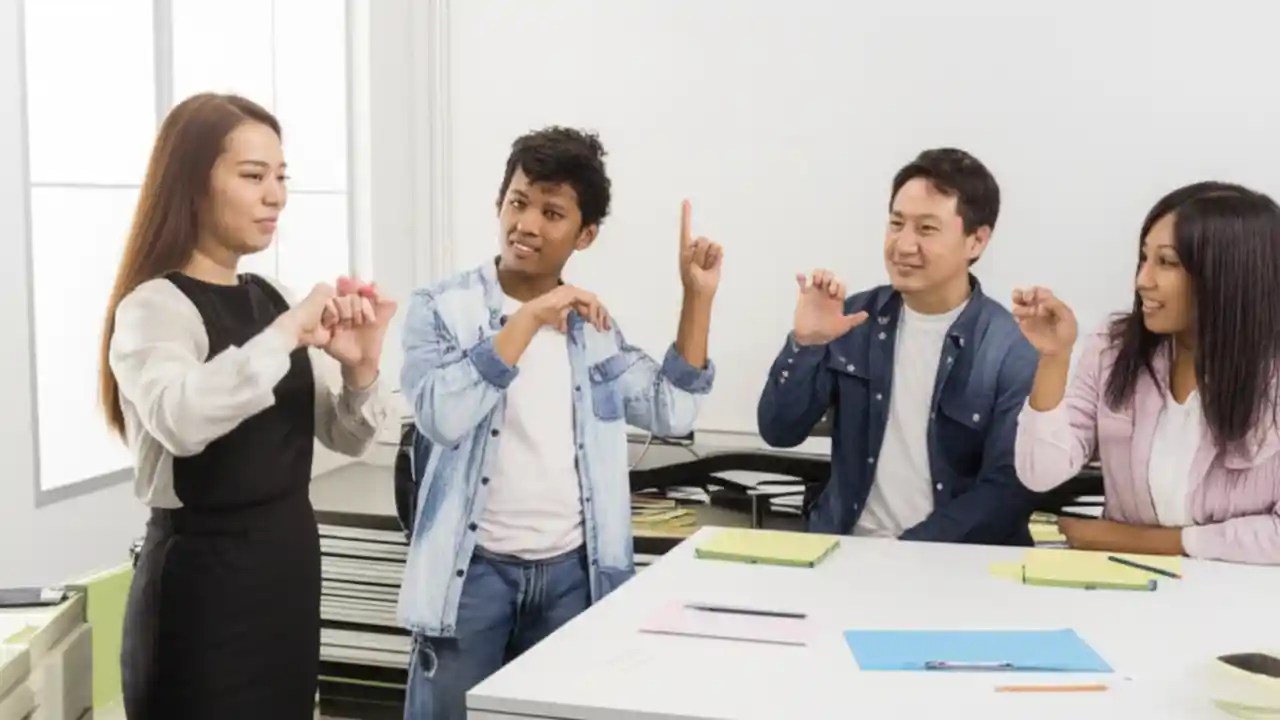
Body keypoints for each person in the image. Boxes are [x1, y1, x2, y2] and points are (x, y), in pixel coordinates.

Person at [397, 126, 721, 719]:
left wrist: (696, 297)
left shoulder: (591, 328)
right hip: (469, 579)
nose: (527, 224)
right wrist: (526, 320)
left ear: (584, 234)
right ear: (499, 203)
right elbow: (441, 417)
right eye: (518, 202)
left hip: (575, 576)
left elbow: (672, 408)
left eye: (551, 213)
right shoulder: (441, 308)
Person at [101, 93, 395, 719]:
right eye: (254, 176)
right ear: (192, 184)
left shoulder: (272, 296)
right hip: (201, 591)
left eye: (282, 177)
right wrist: (286, 334)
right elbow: (181, 420)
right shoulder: (153, 307)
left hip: (286, 571)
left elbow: (345, 437)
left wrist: (361, 367)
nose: (276, 197)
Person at [757, 148, 1039, 544]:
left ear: (976, 241)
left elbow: (1008, 488)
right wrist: (806, 345)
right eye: (896, 224)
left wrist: (906, 553)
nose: (903, 245)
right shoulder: (854, 320)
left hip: (954, 560)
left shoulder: (1012, 346)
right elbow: (779, 430)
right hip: (846, 549)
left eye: (926, 229)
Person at [1013, 181, 1280, 564]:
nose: (1143, 280)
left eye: (1167, 262)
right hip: (1126, 584)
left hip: (1240, 592)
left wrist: (1147, 541)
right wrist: (1054, 358)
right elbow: (1039, 472)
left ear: (1229, 274)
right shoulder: (1114, 348)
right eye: (1144, 258)